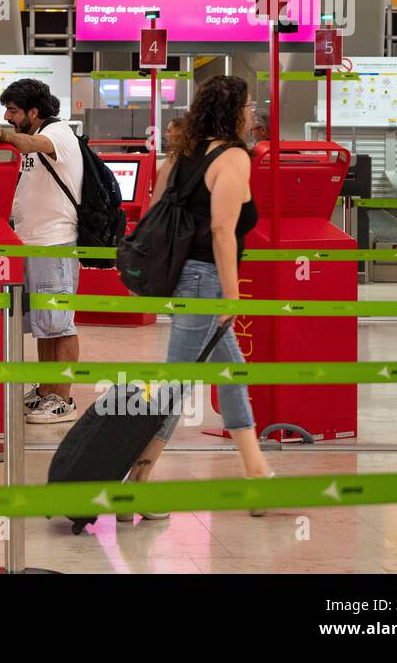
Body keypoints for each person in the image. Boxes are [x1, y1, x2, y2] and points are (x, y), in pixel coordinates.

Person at [127, 75, 273, 520]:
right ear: (233, 111)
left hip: (183, 276)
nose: (252, 113)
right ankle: (137, 479)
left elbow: (155, 207)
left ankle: (257, 473)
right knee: (176, 383)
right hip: (205, 281)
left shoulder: (182, 155)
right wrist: (231, 294)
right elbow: (222, 230)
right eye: (248, 106)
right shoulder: (232, 157)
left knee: (230, 373)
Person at [0, 79, 84, 424]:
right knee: (43, 325)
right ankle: (45, 391)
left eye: (13, 111)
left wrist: (5, 137)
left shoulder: (58, 133)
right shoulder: (28, 144)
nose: (7, 117)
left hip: (55, 242)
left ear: (33, 112)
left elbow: (32, 142)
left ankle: (63, 399)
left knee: (61, 325)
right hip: (32, 243)